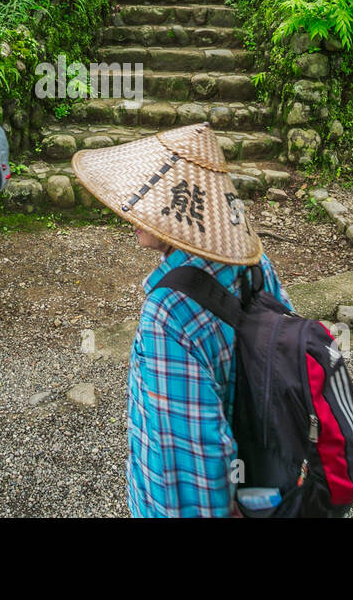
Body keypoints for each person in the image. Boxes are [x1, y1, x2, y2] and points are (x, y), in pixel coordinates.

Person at [71, 122, 294, 517]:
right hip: (265, 469)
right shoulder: (257, 265)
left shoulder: (167, 314)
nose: (134, 205)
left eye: (148, 196)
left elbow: (190, 455)